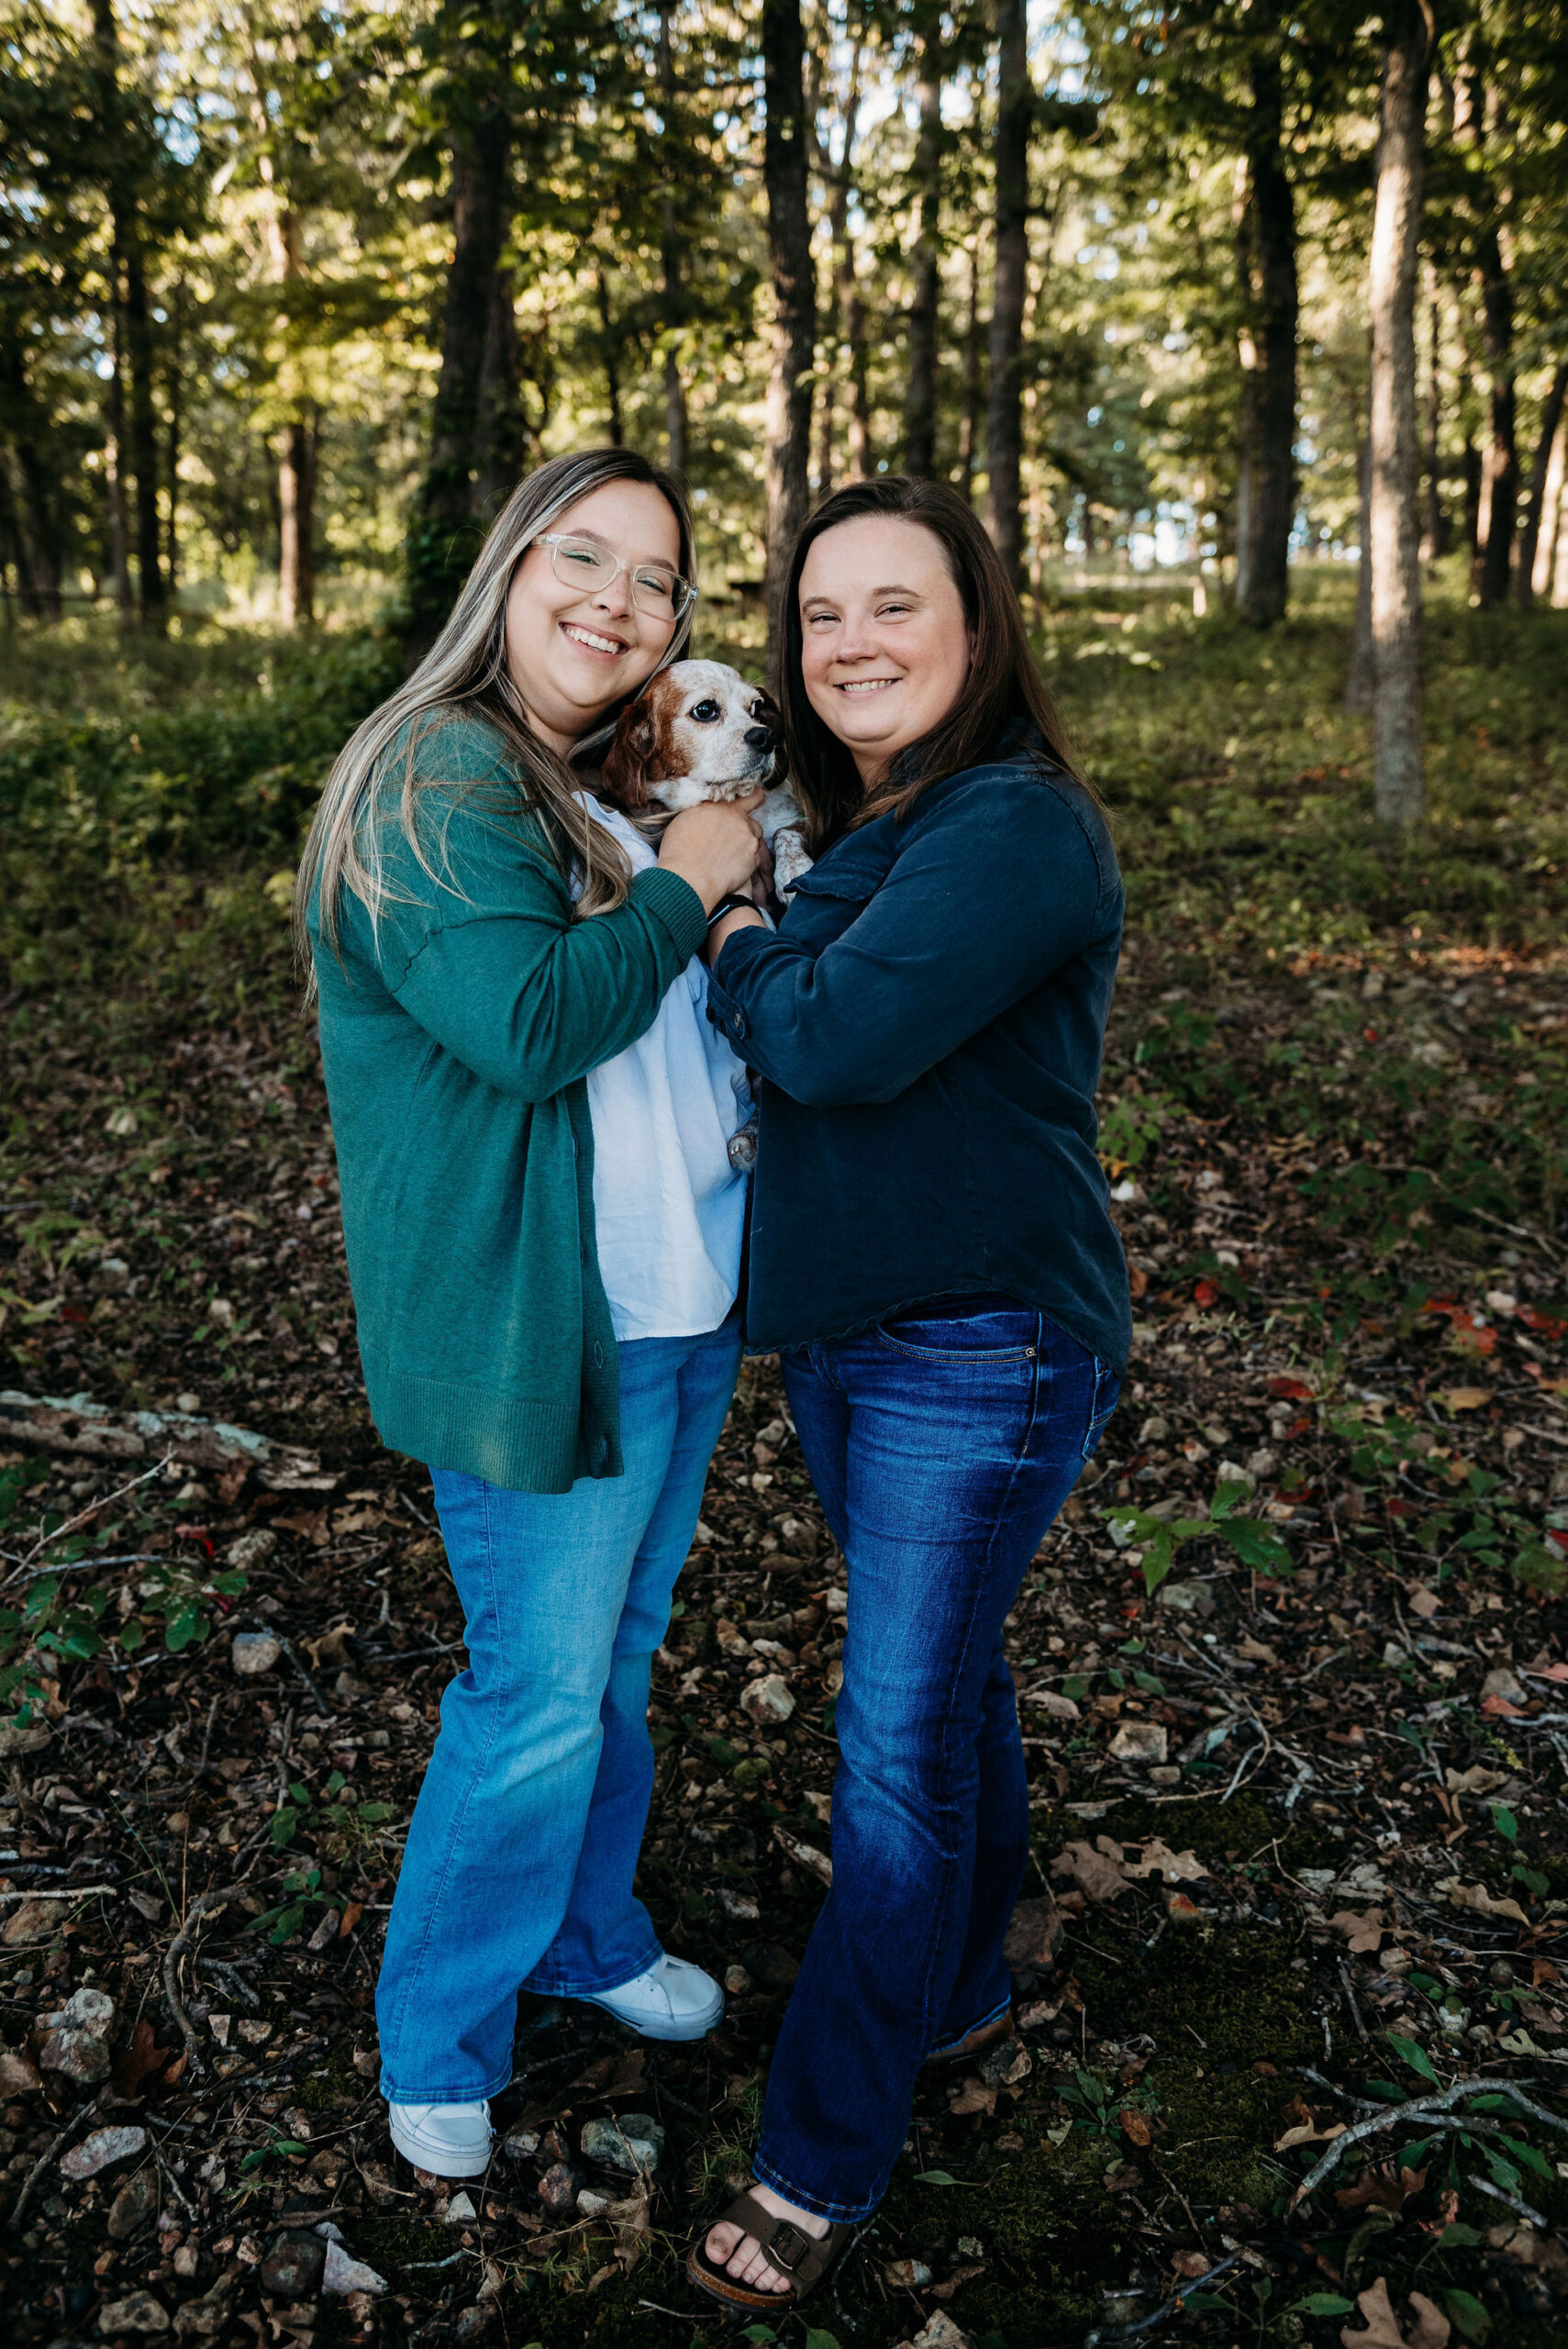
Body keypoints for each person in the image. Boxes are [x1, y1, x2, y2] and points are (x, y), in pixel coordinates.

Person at [685, 476, 1132, 2313]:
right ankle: (962, 1975)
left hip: (979, 1340)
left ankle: (824, 2154)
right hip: (864, 1330)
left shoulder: (1013, 826)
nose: (852, 640)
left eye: (895, 604)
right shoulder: (886, 824)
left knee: (889, 1754)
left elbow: (832, 1034)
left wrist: (726, 930)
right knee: (948, 1675)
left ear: (979, 622)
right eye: (822, 616)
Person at [298, 448, 768, 2182]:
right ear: (510, 567)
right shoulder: (434, 777)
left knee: (613, 1667)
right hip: (538, 1325)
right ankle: (440, 2030)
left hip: (675, 1301)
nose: (619, 602)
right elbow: (527, 1025)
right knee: (538, 1694)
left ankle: (580, 1938)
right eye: (586, 557)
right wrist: (693, 872)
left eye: (656, 580)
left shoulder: (583, 777)